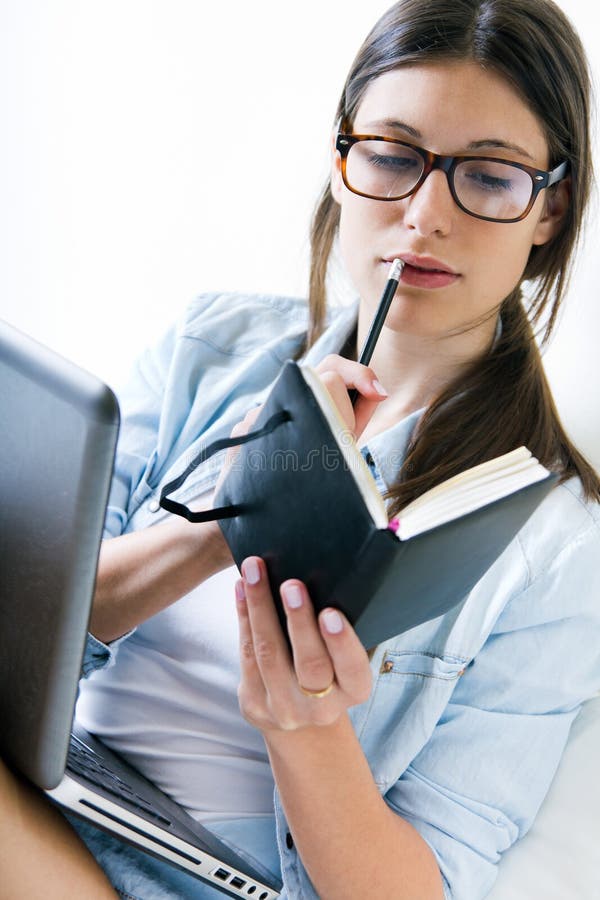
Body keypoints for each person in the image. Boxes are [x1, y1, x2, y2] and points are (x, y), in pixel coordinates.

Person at [3, 0, 600, 897]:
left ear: (549, 209)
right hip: (50, 789)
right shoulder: (215, 347)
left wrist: (308, 729)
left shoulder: (554, 550)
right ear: (340, 165)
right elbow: (28, 626)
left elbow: (418, 887)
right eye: (394, 159)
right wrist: (237, 513)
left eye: (488, 177)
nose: (425, 215)